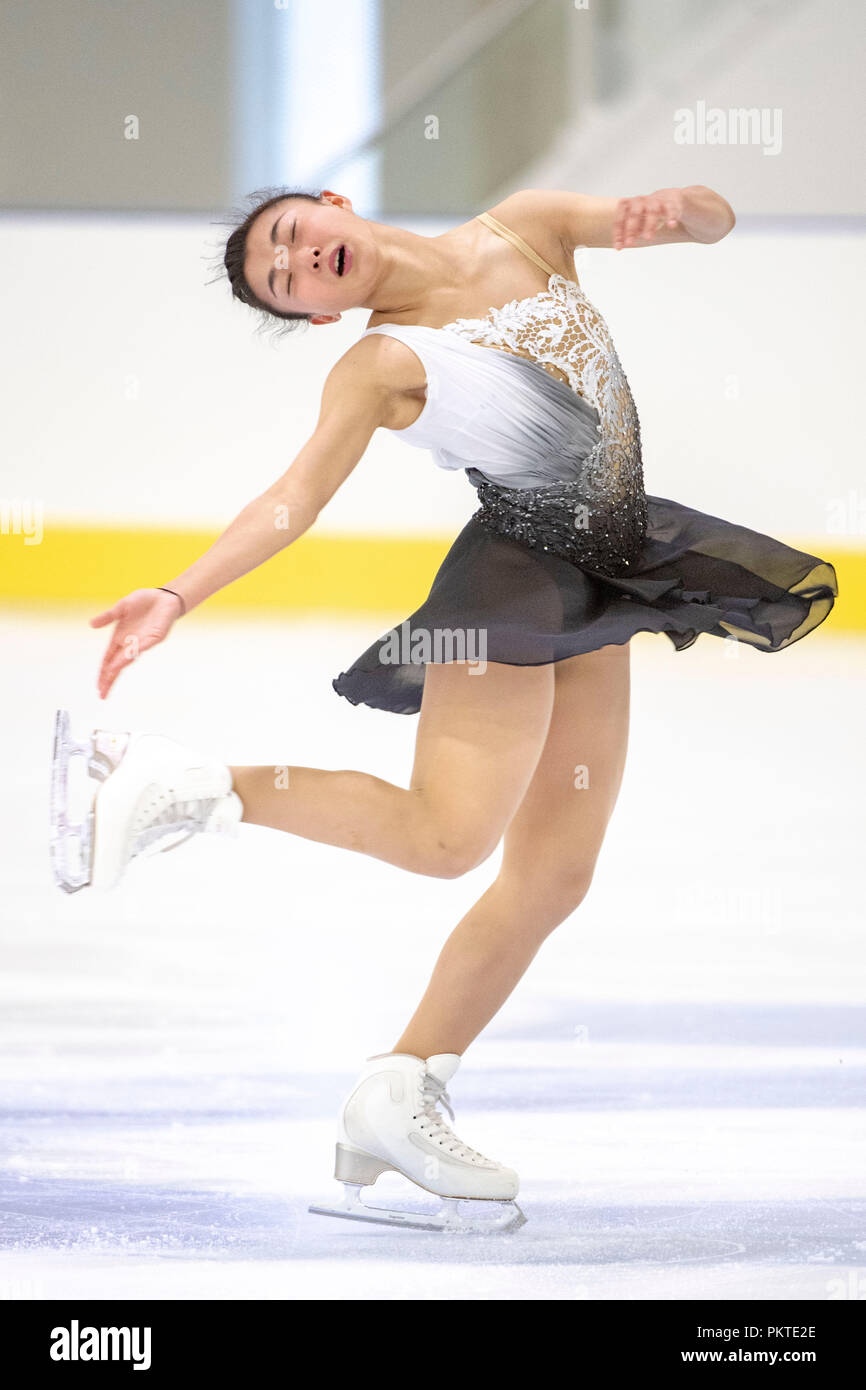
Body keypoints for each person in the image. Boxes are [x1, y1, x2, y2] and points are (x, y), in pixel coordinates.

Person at [52, 185, 837, 1231]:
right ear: (316, 318)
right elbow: (294, 498)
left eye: (291, 236)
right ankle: (178, 782)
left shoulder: (528, 223)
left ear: (333, 204)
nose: (297, 264)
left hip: (607, 568)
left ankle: (400, 1089)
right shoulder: (377, 363)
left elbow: (701, 221)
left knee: (554, 873)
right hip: (514, 582)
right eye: (279, 284)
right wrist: (176, 591)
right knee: (444, 836)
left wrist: (688, 213)